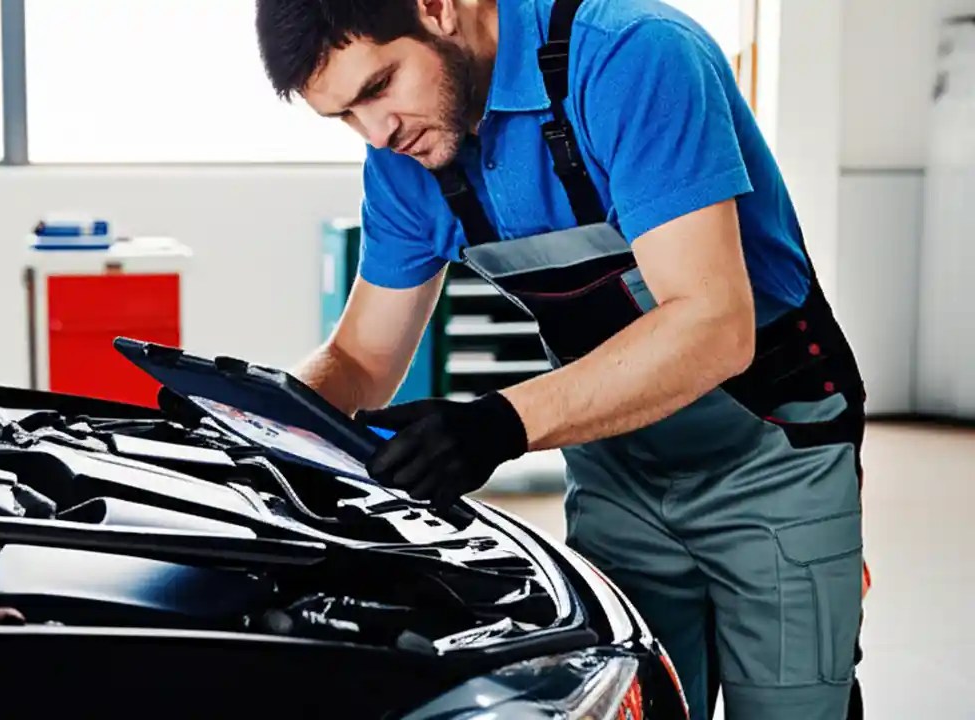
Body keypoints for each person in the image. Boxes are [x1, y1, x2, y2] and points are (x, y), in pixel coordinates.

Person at [254, 1, 869, 719]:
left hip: (771, 456)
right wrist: (260, 428)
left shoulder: (632, 56)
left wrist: (496, 425)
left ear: (437, 8)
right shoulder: (407, 154)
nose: (377, 133)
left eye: (379, 86)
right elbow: (360, 358)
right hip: (619, 471)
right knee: (632, 701)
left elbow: (712, 326)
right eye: (345, 116)